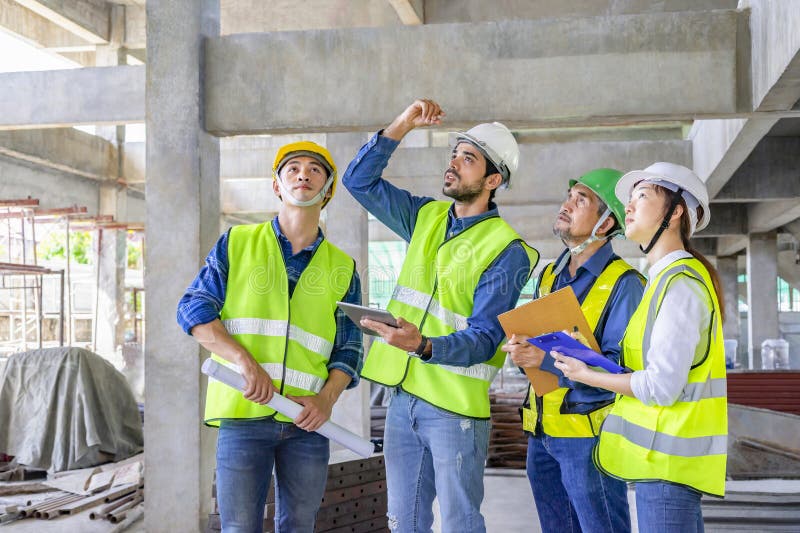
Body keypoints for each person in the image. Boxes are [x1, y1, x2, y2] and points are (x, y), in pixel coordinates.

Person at [342, 99, 538, 532]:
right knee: (403, 522)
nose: (453, 164)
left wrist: (424, 345)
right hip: (402, 398)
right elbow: (357, 180)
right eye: (454, 154)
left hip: (454, 410)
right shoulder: (425, 217)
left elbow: (487, 337)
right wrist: (401, 125)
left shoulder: (507, 251)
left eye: (468, 159)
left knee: (459, 523)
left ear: (493, 179)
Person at [177, 141, 364, 532]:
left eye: (315, 169)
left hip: (307, 423)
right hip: (244, 414)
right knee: (239, 527)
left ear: (327, 190)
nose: (303, 174)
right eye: (293, 168)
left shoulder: (343, 268)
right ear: (277, 186)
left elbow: (348, 348)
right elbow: (193, 311)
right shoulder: (237, 243)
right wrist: (245, 363)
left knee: (298, 526)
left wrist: (325, 401)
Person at [552, 162, 728, 533]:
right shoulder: (660, 281)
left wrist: (589, 375)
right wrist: (589, 355)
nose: (628, 207)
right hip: (659, 467)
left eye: (642, 196)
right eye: (629, 200)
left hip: (669, 468)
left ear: (676, 211)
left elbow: (661, 387)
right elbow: (639, 368)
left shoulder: (679, 285)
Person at [502, 168, 644, 533]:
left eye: (582, 200)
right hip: (542, 437)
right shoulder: (549, 276)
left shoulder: (625, 284)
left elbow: (621, 374)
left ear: (607, 221)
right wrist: (521, 352)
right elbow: (533, 352)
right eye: (569, 197)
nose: (567, 205)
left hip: (588, 440)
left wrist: (545, 360)